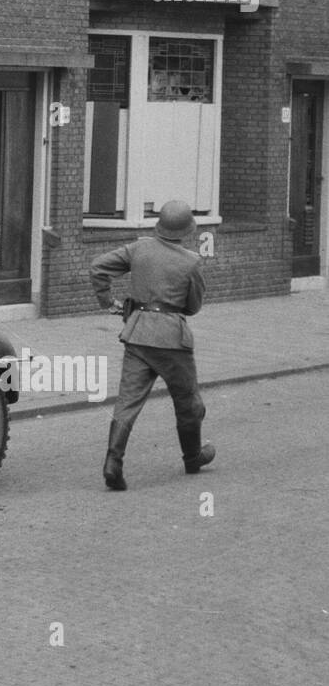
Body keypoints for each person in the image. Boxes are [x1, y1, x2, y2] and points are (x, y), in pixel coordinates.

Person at [90, 198, 213, 492]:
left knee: (127, 402)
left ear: (160, 225)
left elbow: (97, 267)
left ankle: (113, 462)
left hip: (137, 335)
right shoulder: (191, 261)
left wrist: (109, 303)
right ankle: (192, 457)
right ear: (186, 230)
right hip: (172, 340)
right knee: (188, 402)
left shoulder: (139, 247)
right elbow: (193, 307)